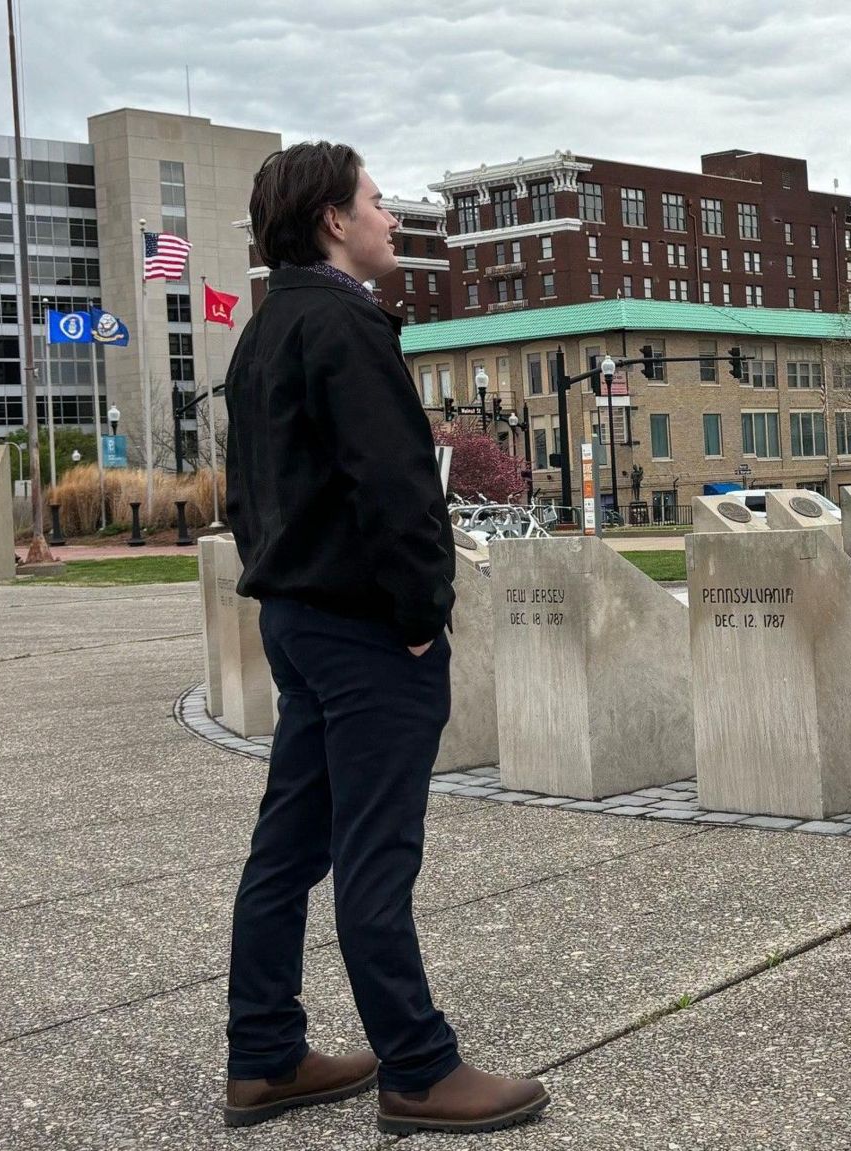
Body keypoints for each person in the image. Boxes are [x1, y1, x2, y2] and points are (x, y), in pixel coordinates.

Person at [222, 141, 548, 1135]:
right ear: (332, 220)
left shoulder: (266, 329)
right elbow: (395, 484)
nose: (390, 219)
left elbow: (244, 494)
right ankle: (417, 1066)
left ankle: (265, 1054)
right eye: (375, 202)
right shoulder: (346, 326)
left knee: (288, 844)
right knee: (374, 850)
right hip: (365, 631)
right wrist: (416, 616)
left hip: (296, 618)